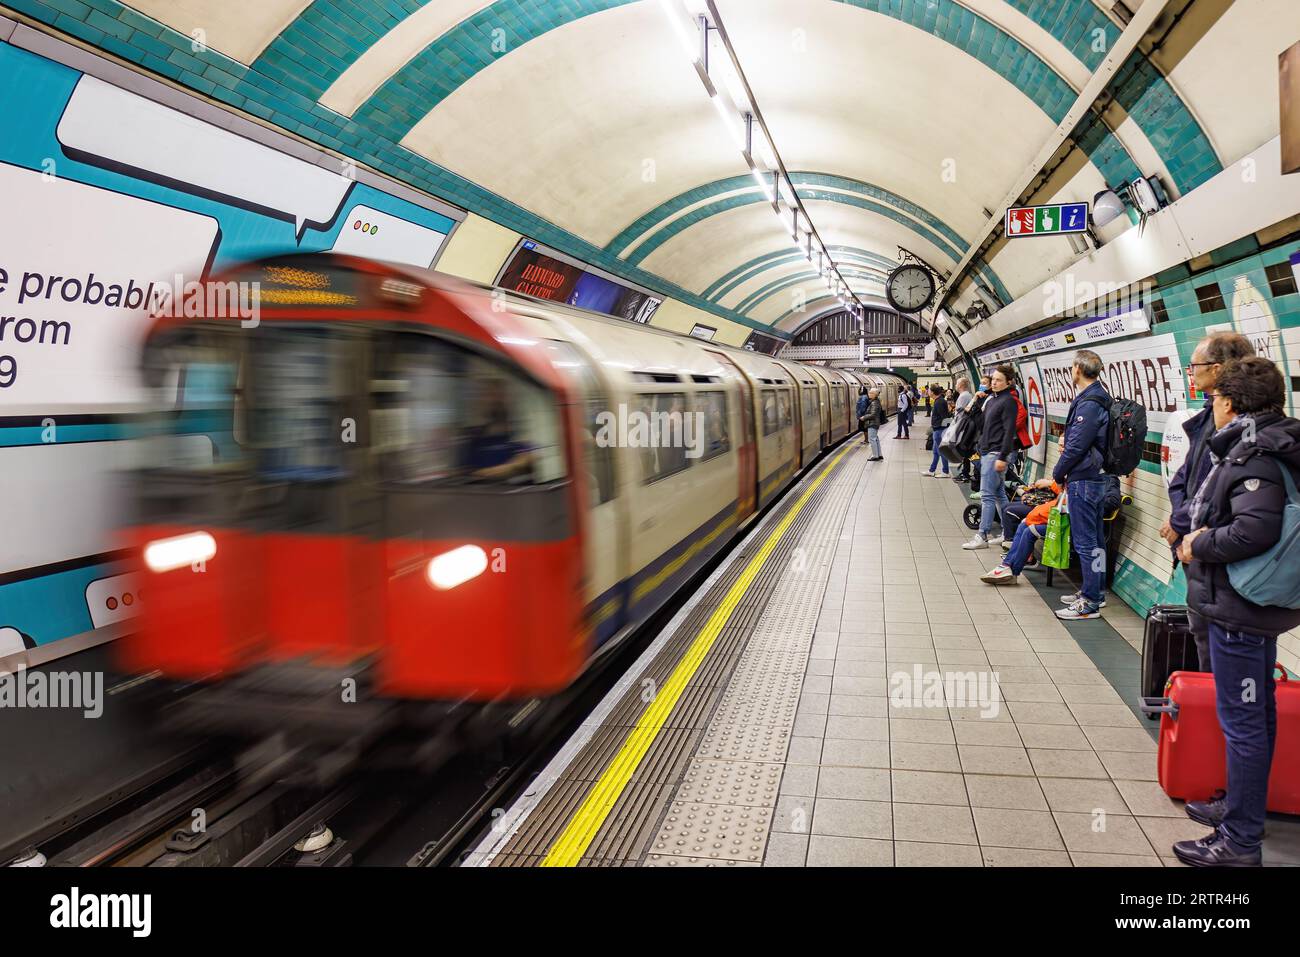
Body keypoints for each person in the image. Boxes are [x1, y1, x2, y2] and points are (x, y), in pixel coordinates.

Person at [1172, 357, 1300, 867]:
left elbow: (1253, 531)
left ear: (1228, 403)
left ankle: (1240, 840)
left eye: (1215, 399)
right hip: (1253, 605)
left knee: (1243, 722)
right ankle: (1241, 807)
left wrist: (1200, 543)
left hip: (1239, 607)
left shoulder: (1256, 458)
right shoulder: (1273, 446)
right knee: (1257, 714)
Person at [1161, 332, 1255, 670]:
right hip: (1196, 548)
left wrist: (1181, 522)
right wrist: (1178, 518)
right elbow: (1185, 477)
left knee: (1219, 647)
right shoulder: (1207, 419)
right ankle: (1209, 709)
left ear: (1217, 369)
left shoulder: (1241, 431)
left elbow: (1216, 490)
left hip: (1214, 552)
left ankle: (1220, 713)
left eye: (1195, 365)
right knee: (1203, 635)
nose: (1190, 371)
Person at [1053, 350, 1110, 620]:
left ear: (1077, 369)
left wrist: (1058, 471)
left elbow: (1077, 445)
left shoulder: (1090, 403)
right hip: (1095, 478)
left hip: (1084, 479)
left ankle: (1089, 602)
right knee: (1096, 540)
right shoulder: (1099, 398)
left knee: (1086, 542)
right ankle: (1095, 591)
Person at [962, 365, 1018, 549]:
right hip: (987, 451)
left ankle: (982, 536)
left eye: (999, 380)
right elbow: (980, 423)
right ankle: (1006, 533)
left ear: (1009, 382)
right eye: (993, 379)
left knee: (986, 496)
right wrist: (977, 401)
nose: (994, 382)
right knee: (999, 495)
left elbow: (1009, 431)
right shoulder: (992, 400)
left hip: (996, 453)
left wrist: (1003, 456)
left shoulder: (1008, 401)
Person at [980, 480, 1059, 583]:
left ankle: (1012, 570)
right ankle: (1007, 565)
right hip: (1057, 512)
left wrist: (1050, 483)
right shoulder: (1074, 478)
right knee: (1023, 525)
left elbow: (1061, 501)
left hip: (1064, 522)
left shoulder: (1079, 481)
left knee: (1029, 529)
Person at [922, 384, 951, 477]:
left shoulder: (939, 402)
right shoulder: (938, 401)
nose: (928, 392)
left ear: (933, 392)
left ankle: (945, 472)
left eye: (929, 390)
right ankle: (931, 470)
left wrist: (943, 429)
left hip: (939, 430)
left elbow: (945, 418)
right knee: (935, 451)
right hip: (937, 430)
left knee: (941, 451)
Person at [952, 378, 974, 482]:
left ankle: (965, 474)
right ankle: (965, 472)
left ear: (961, 385)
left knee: (964, 450)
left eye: (957, 383)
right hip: (964, 426)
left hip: (963, 426)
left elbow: (960, 411)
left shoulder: (964, 396)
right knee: (964, 451)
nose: (956, 385)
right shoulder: (967, 395)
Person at [860, 387, 885, 460]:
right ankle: (879, 454)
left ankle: (875, 456)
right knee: (875, 439)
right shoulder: (875, 401)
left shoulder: (874, 403)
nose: (869, 394)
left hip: (872, 423)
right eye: (869, 392)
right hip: (874, 423)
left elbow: (873, 414)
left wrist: (864, 417)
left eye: (871, 393)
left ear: (875, 394)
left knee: (872, 439)